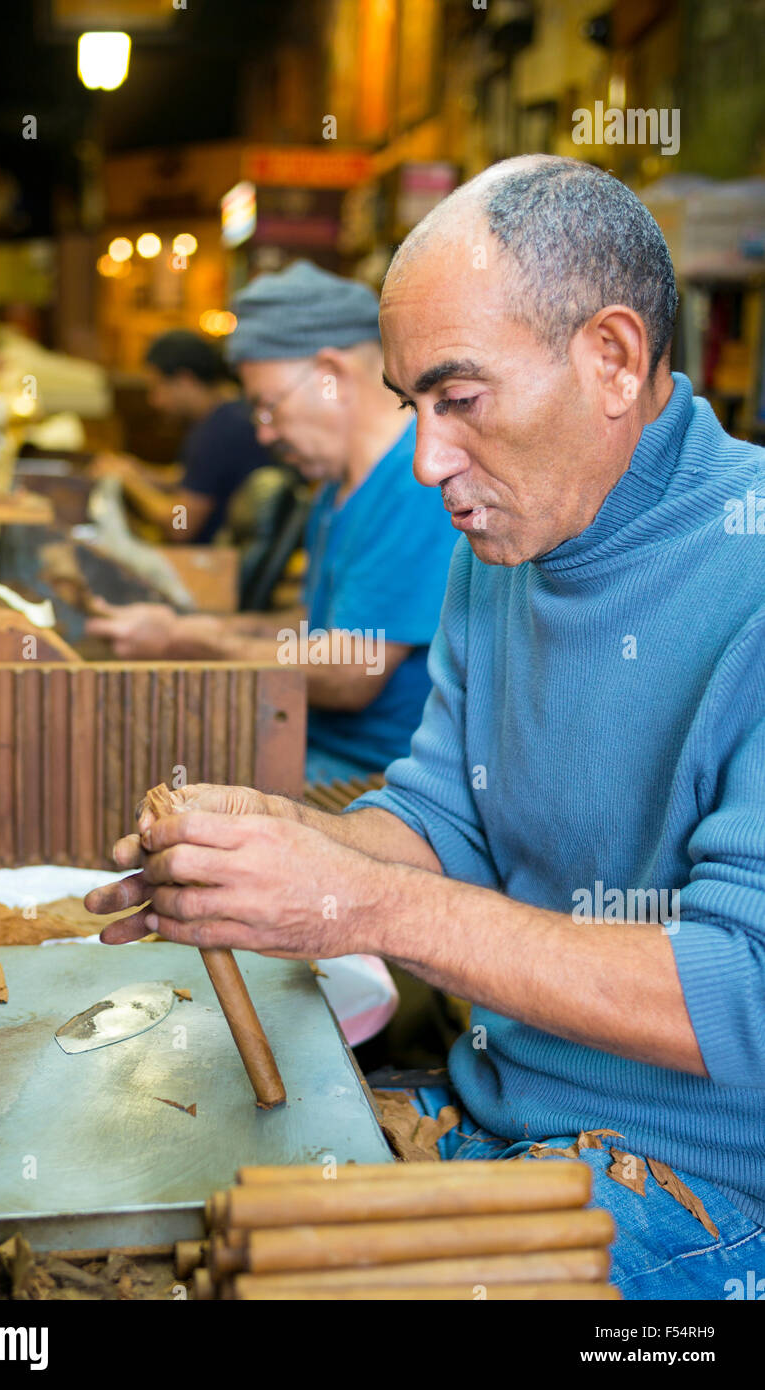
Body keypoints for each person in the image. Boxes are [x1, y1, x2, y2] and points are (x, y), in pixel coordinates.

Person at [86, 157, 765, 1298]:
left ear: (610, 358)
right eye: (410, 405)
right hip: (502, 1110)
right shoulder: (502, 544)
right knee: (150, 1186)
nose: (424, 461)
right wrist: (273, 844)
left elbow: (743, 999)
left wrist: (358, 900)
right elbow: (443, 816)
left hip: (708, 1190)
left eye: (459, 398)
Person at [88, 261, 458, 782]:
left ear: (330, 376)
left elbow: (351, 672)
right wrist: (193, 627)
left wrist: (191, 641)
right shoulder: (334, 488)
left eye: (268, 408)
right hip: (310, 739)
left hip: (374, 775)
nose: (264, 435)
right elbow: (315, 628)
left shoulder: (415, 482)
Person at [90, 330, 271, 543]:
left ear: (185, 380)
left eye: (157, 387)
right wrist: (140, 472)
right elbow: (199, 479)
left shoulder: (220, 431)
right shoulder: (232, 412)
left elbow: (180, 525)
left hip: (210, 565)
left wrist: (129, 482)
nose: (154, 401)